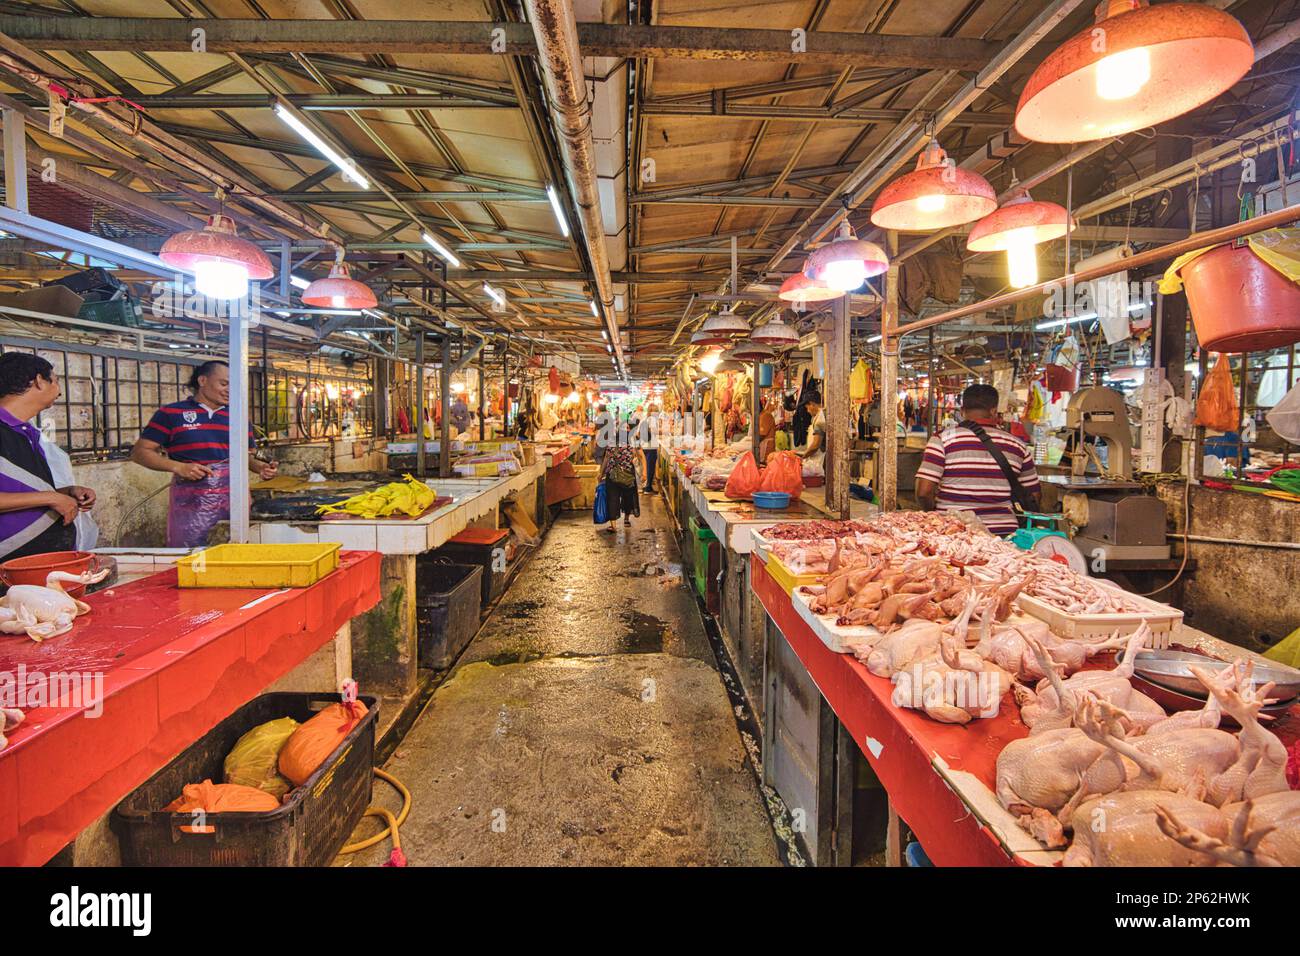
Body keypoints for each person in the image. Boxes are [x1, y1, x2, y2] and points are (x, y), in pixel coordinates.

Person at [131, 360, 277, 548]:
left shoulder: (238, 416)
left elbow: (244, 456)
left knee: (234, 551)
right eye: (224, 384)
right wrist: (179, 467)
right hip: (190, 502)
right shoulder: (172, 413)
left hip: (234, 500)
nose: (229, 390)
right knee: (192, 554)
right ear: (202, 380)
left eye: (233, 385)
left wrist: (260, 468)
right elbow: (140, 452)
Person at [0, 354, 95, 562]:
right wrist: (51, 498)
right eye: (56, 379)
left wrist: (67, 492)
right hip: (8, 566)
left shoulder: (27, 434)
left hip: (40, 562)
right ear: (39, 381)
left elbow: (21, 492)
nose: (59, 389)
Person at [915, 383, 1041, 536]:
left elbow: (924, 492)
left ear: (962, 411)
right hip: (1004, 535)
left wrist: (936, 515)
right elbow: (1034, 496)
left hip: (953, 532)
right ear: (994, 411)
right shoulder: (1017, 445)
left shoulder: (942, 439)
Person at [597, 428, 645, 532]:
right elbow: (641, 456)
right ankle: (625, 519)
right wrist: (644, 473)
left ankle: (613, 525)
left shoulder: (611, 444)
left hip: (612, 475)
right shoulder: (632, 444)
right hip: (626, 475)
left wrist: (601, 473)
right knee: (627, 497)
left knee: (612, 498)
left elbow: (606, 459)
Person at [796, 391, 825, 467]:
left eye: (807, 407)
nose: (807, 411)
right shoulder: (819, 416)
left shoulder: (820, 419)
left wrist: (802, 457)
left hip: (819, 462)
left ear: (812, 404)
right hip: (816, 461)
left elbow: (815, 445)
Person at [639, 403, 660, 494]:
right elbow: (654, 431)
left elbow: (638, 433)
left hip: (645, 446)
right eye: (656, 411)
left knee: (648, 466)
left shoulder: (645, 419)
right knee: (650, 467)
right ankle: (648, 488)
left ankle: (648, 486)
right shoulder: (652, 419)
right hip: (651, 446)